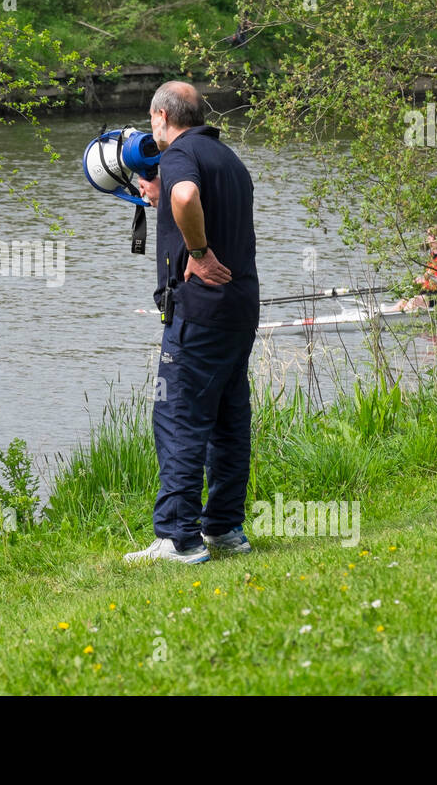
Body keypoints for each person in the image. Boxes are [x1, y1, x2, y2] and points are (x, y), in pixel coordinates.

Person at [124, 80, 260, 565]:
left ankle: (179, 538)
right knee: (227, 421)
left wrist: (198, 254)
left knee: (178, 415)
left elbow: (184, 195)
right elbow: (190, 200)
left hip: (200, 310)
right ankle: (224, 529)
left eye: (152, 120)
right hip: (240, 307)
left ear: (162, 116)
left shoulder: (179, 155)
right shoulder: (227, 158)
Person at [394, 228, 437, 311]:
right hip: (426, 294)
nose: (427, 239)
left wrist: (433, 278)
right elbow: (429, 278)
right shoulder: (432, 257)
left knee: (414, 302)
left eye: (430, 236)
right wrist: (422, 280)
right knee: (402, 302)